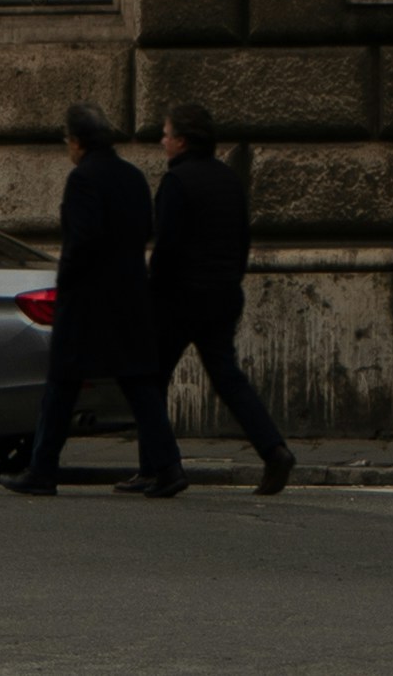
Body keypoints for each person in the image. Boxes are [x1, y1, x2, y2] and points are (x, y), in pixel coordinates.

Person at [2, 106, 182, 497]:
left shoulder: (83, 179)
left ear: (78, 142)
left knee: (62, 384)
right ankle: (168, 466)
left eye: (68, 140)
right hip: (131, 294)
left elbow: (80, 241)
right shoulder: (133, 177)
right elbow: (146, 230)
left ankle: (43, 468)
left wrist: (65, 285)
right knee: (138, 384)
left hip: (87, 299)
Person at [148, 110, 292, 496]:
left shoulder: (177, 182)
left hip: (180, 297)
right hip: (224, 293)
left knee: (149, 379)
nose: (162, 141)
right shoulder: (230, 181)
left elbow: (167, 248)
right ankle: (273, 450)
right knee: (228, 378)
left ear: (183, 140)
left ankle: (162, 467)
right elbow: (242, 241)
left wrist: (153, 293)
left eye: (166, 135)